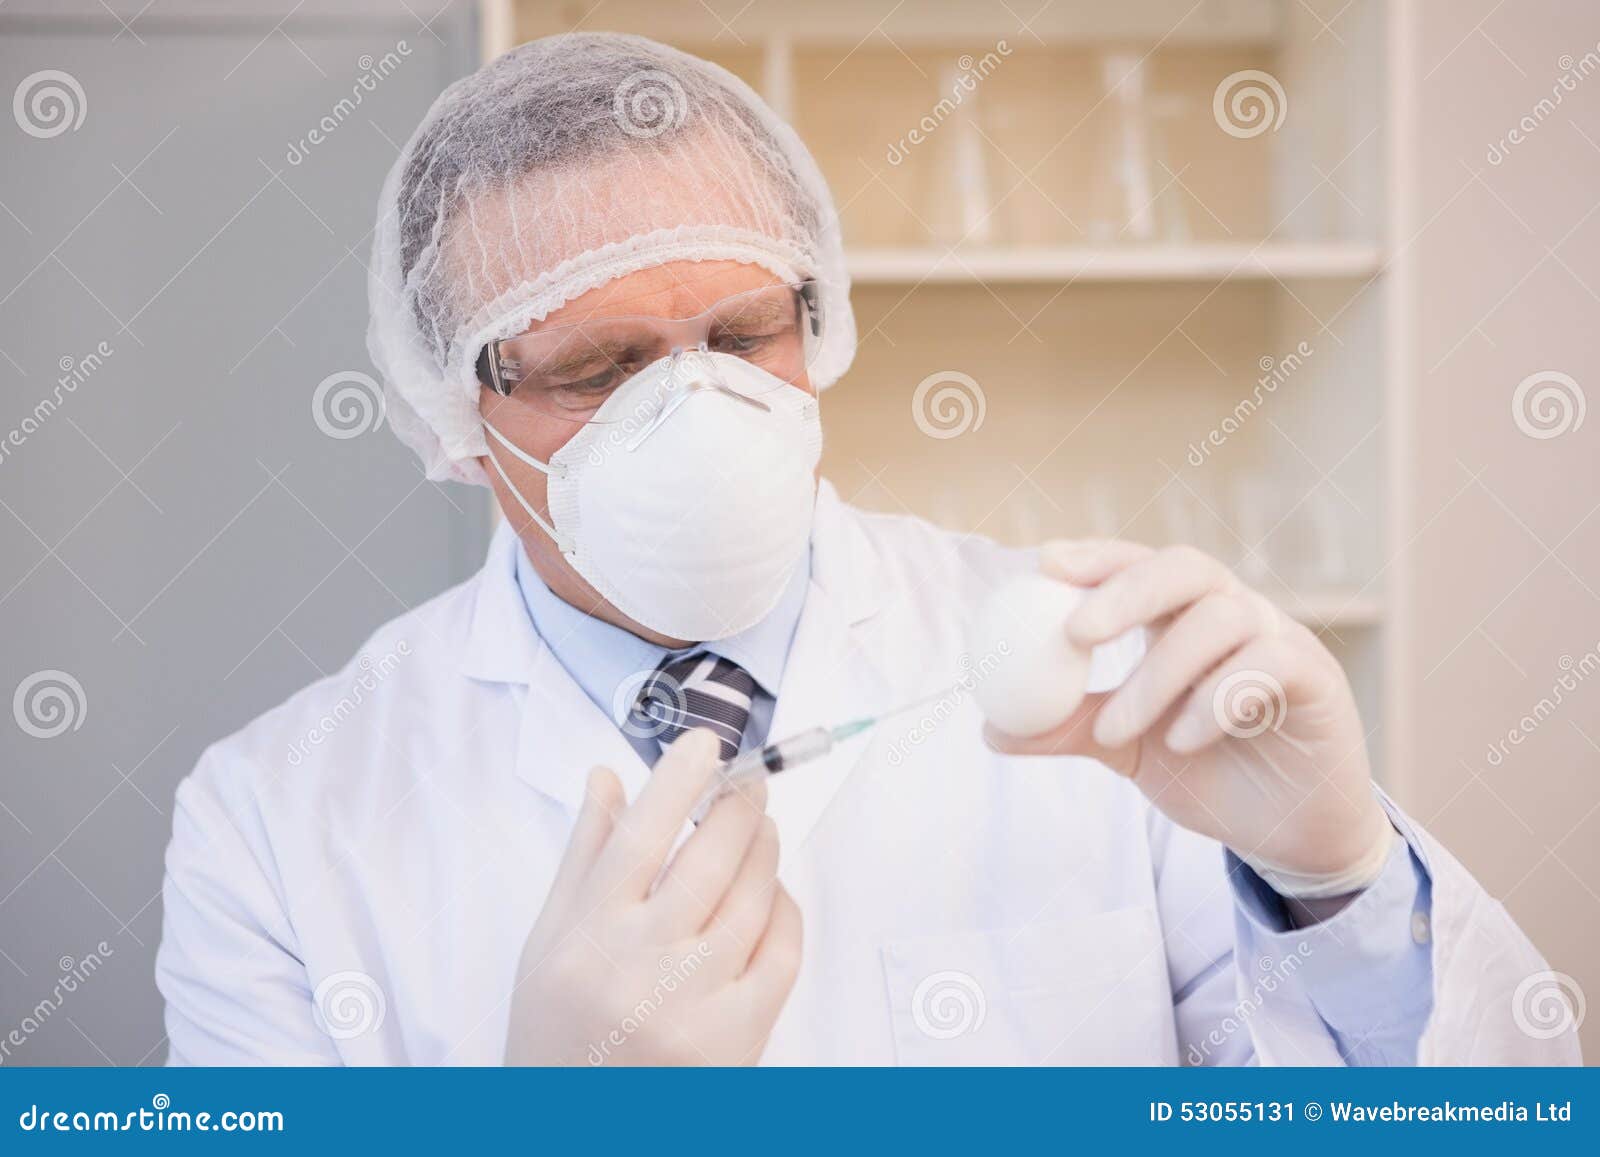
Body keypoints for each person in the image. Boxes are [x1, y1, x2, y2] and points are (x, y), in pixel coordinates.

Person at [156, 32, 1579, 1066]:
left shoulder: (1086, 674)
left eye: (744, 335)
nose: (697, 403)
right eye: (600, 364)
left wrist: (1335, 879)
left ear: (817, 324)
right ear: (451, 410)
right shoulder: (280, 822)